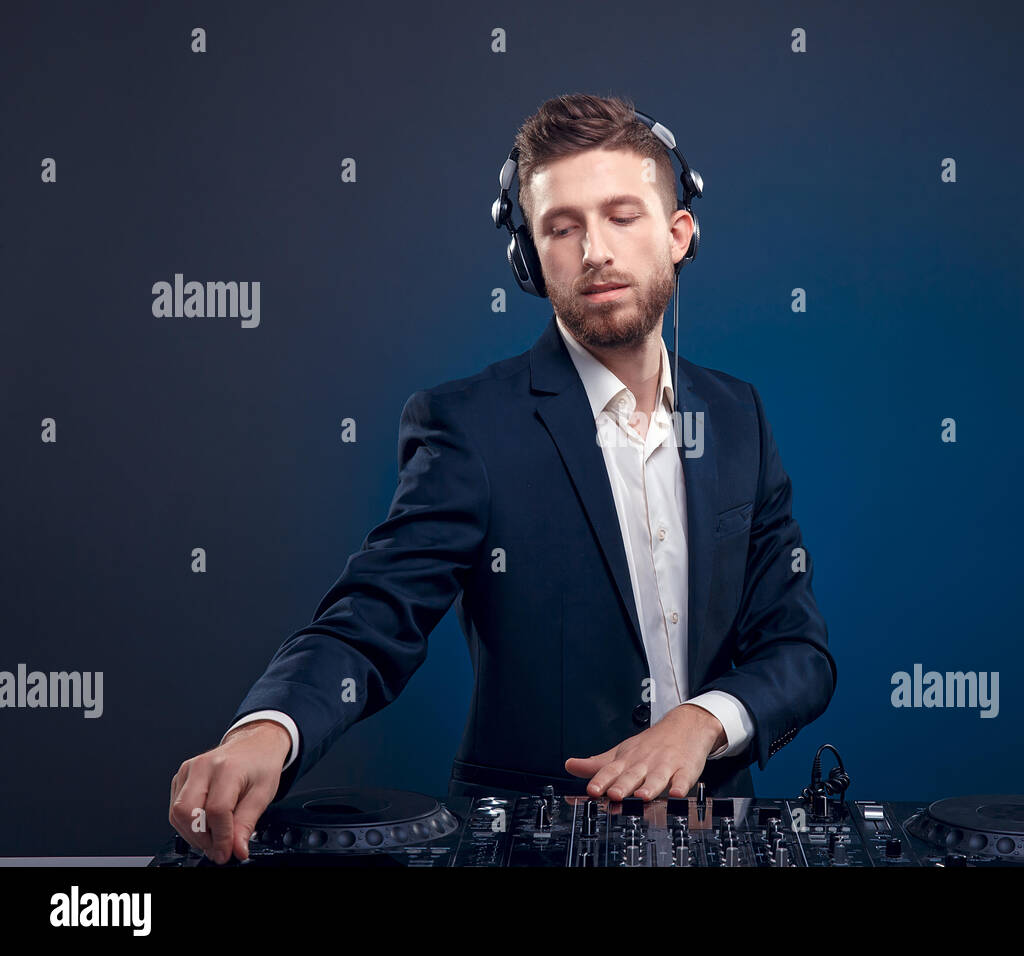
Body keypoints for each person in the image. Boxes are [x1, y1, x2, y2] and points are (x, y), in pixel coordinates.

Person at [168, 93, 834, 864]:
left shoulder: (738, 417)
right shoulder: (467, 426)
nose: (594, 251)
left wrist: (704, 720)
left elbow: (799, 652)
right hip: (531, 844)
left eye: (622, 216)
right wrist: (266, 731)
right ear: (528, 257)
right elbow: (371, 615)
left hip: (720, 838)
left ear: (679, 234)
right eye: (561, 226)